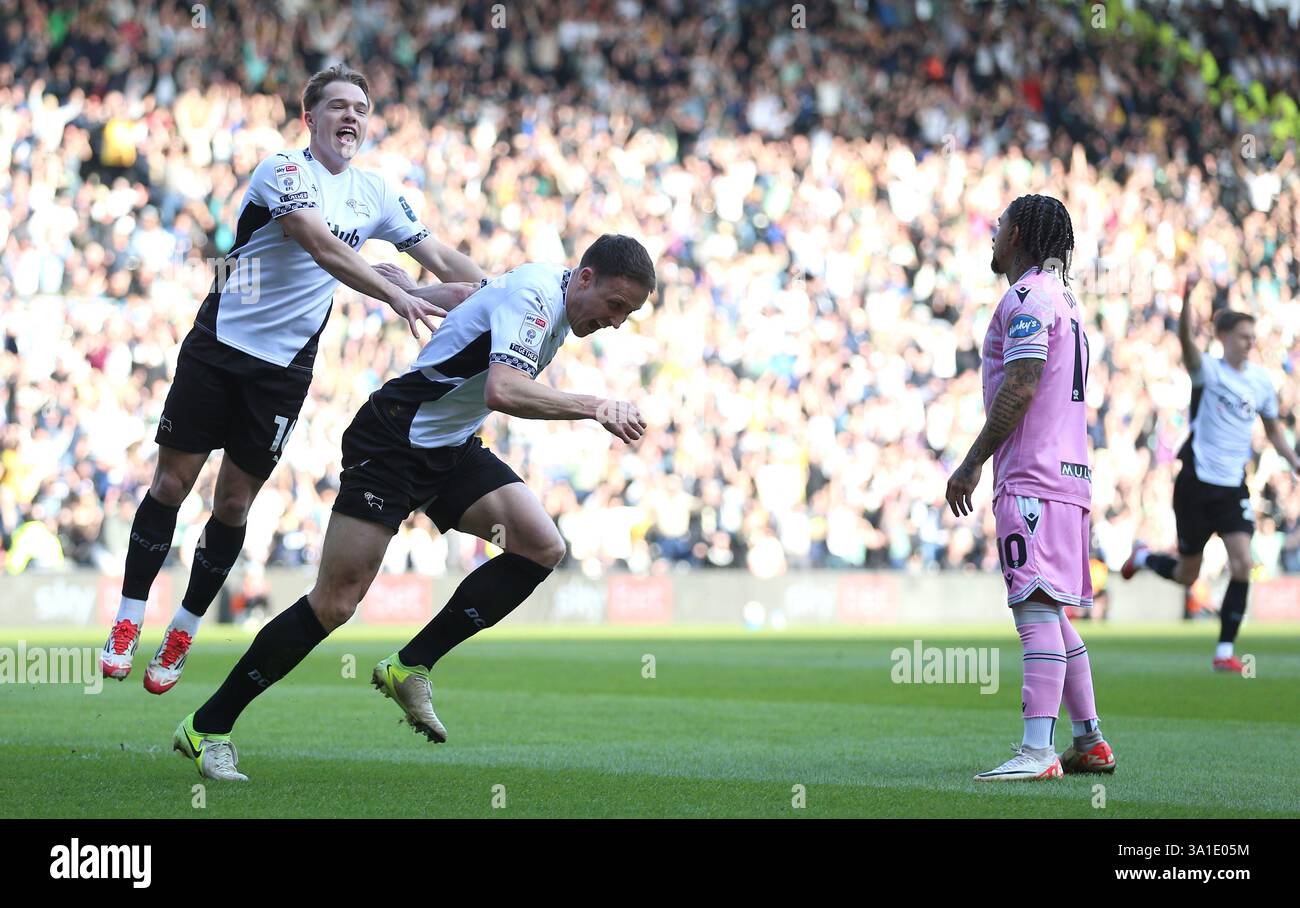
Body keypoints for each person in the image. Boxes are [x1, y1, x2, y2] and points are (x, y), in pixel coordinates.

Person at [172, 234, 656, 781]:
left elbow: (475, 293)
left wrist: (420, 291)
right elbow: (503, 390)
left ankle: (411, 665)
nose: (616, 321)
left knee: (540, 546)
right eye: (616, 305)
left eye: (628, 314)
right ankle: (207, 726)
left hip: (449, 447)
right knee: (334, 603)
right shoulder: (537, 296)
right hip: (395, 439)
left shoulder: (546, 290)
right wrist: (596, 405)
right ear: (586, 277)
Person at [100, 64, 482, 694]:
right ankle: (130, 613)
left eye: (360, 106)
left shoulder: (377, 193)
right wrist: (398, 293)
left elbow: (438, 256)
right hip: (221, 344)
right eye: (337, 106)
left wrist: (503, 296)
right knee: (172, 481)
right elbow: (320, 244)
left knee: (233, 503)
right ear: (310, 119)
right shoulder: (283, 170)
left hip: (284, 370)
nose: (351, 116)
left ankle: (185, 627)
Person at [945, 194, 1115, 782]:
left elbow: (1020, 384)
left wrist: (970, 463)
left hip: (1033, 478)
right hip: (1070, 478)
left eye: (998, 227)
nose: (991, 237)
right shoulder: (1067, 300)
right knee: (1054, 612)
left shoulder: (1025, 298)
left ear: (1017, 235)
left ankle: (1037, 750)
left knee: (1034, 610)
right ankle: (1089, 739)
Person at [1120, 279, 1300, 672]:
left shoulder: (1260, 382)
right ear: (1222, 337)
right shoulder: (1209, 373)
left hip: (1232, 487)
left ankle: (1224, 653)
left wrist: (1295, 462)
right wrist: (1185, 305)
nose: (1249, 343)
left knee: (1241, 563)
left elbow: (1272, 430)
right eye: (1242, 336)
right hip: (1196, 485)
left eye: (1253, 337)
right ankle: (1146, 557)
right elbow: (1186, 344)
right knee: (1188, 574)